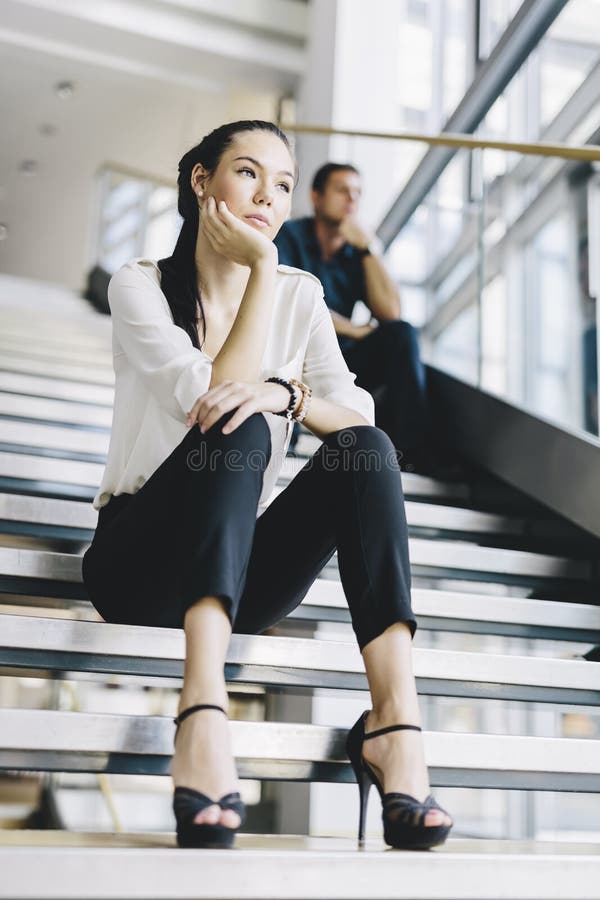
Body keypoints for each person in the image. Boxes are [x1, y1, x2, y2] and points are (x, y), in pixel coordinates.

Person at [82, 121, 452, 851]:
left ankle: (394, 723)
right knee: (241, 417)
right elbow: (214, 396)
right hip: (139, 562)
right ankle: (204, 709)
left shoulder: (300, 294)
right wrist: (259, 271)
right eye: (248, 174)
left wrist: (291, 396)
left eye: (282, 184)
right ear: (200, 182)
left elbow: (359, 410)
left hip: (242, 566)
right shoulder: (142, 285)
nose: (267, 196)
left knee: (364, 447)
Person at [274, 163, 433, 471]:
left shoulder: (355, 252)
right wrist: (355, 331)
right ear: (316, 197)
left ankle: (410, 454)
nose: (352, 200)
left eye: (358, 193)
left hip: (341, 362)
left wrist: (368, 249)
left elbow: (390, 313)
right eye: (342, 190)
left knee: (402, 334)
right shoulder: (288, 236)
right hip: (294, 354)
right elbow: (293, 300)